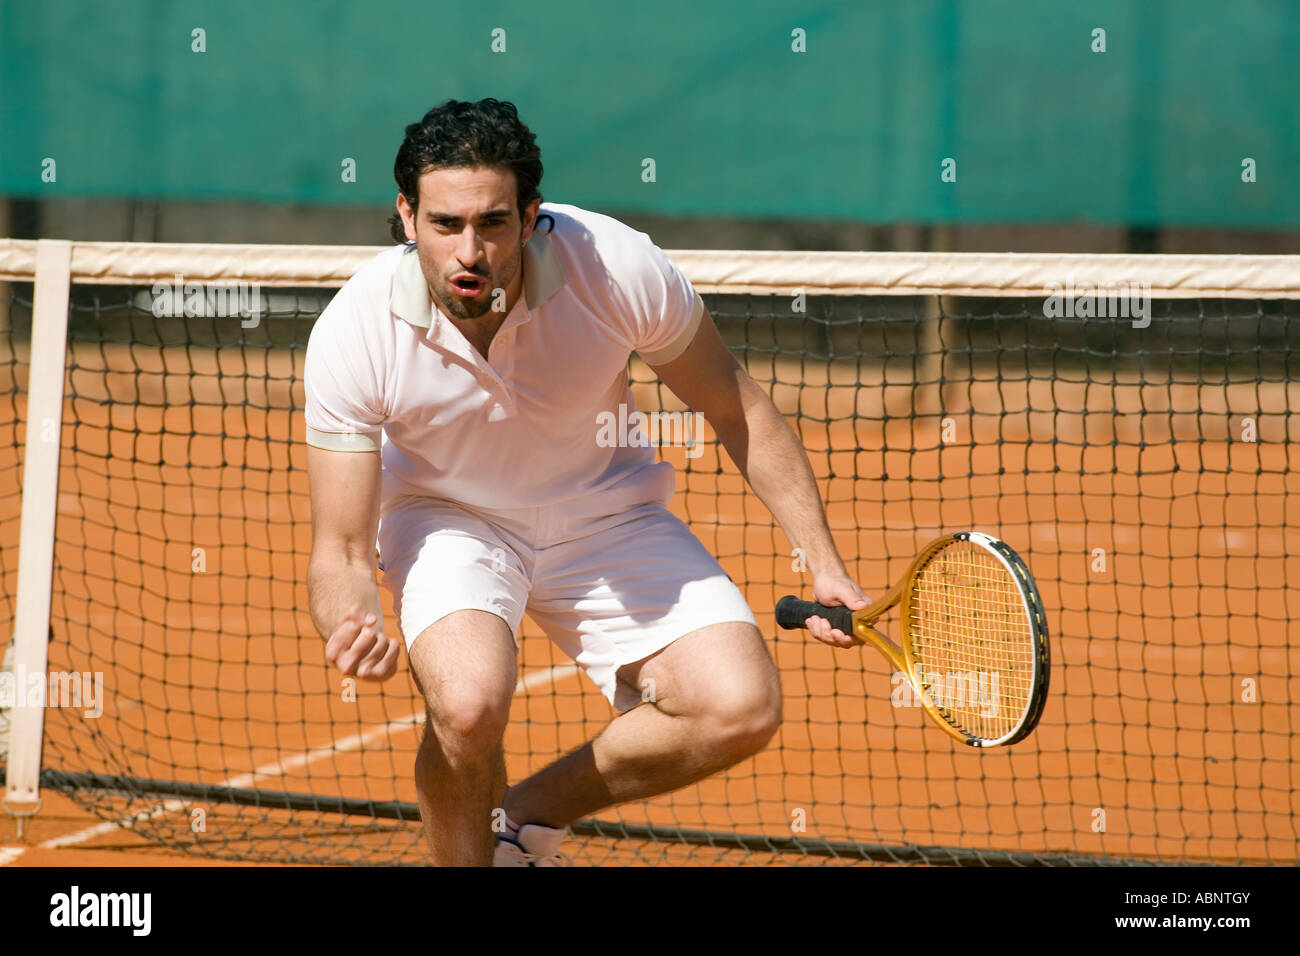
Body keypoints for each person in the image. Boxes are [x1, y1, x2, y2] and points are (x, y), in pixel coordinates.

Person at [304, 98, 864, 866]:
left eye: (493, 223)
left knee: (740, 707)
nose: (470, 252)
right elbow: (337, 551)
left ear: (532, 215)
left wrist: (823, 562)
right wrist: (353, 616)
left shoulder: (616, 265)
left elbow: (737, 407)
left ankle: (528, 816)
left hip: (606, 511)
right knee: (467, 709)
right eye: (444, 224)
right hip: (449, 519)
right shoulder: (354, 329)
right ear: (406, 217)